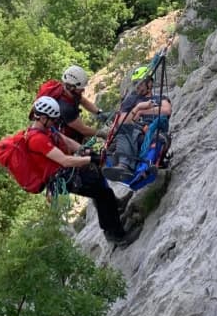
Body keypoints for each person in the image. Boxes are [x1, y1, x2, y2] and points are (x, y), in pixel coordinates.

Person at [25, 96, 140, 247]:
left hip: (68, 171)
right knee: (102, 194)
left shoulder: (47, 128)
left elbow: (65, 140)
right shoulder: (36, 139)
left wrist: (81, 149)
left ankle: (114, 218)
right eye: (52, 119)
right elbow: (64, 160)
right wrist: (91, 159)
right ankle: (116, 235)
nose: (54, 122)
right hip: (64, 178)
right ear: (43, 118)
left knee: (100, 183)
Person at [103, 65, 172, 182]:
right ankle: (124, 167)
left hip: (155, 131)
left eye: (140, 83)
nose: (138, 87)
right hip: (135, 132)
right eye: (136, 84)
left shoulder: (160, 98)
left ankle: (144, 169)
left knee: (157, 138)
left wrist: (141, 111)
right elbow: (123, 121)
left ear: (149, 83)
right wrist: (138, 108)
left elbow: (166, 110)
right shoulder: (132, 100)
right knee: (124, 131)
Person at [39, 65, 107, 142]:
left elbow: (83, 101)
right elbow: (83, 130)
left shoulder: (68, 91)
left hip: (72, 132)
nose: (83, 90)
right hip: (65, 139)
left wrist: (99, 112)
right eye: (80, 89)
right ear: (71, 87)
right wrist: (102, 133)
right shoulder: (65, 107)